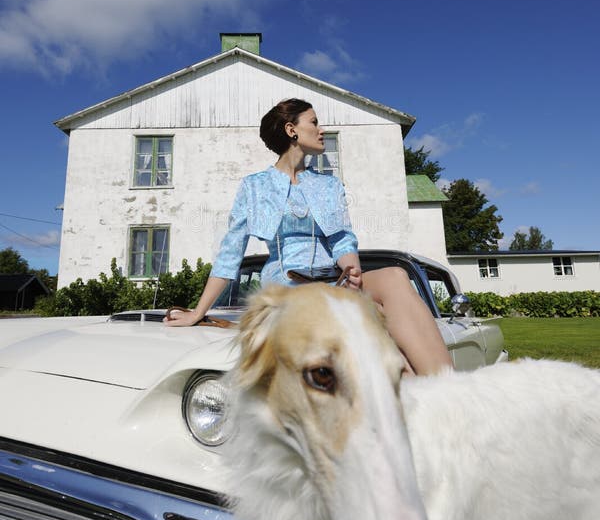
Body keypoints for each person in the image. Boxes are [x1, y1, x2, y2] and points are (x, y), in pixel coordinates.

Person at [164, 98, 452, 375]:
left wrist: (351, 269)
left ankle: (447, 390)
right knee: (375, 321)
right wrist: (198, 311)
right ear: (292, 130)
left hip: (332, 280)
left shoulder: (328, 185)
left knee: (395, 276)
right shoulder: (255, 186)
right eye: (314, 122)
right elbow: (230, 253)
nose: (321, 129)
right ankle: (438, 395)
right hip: (286, 285)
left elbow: (342, 240)